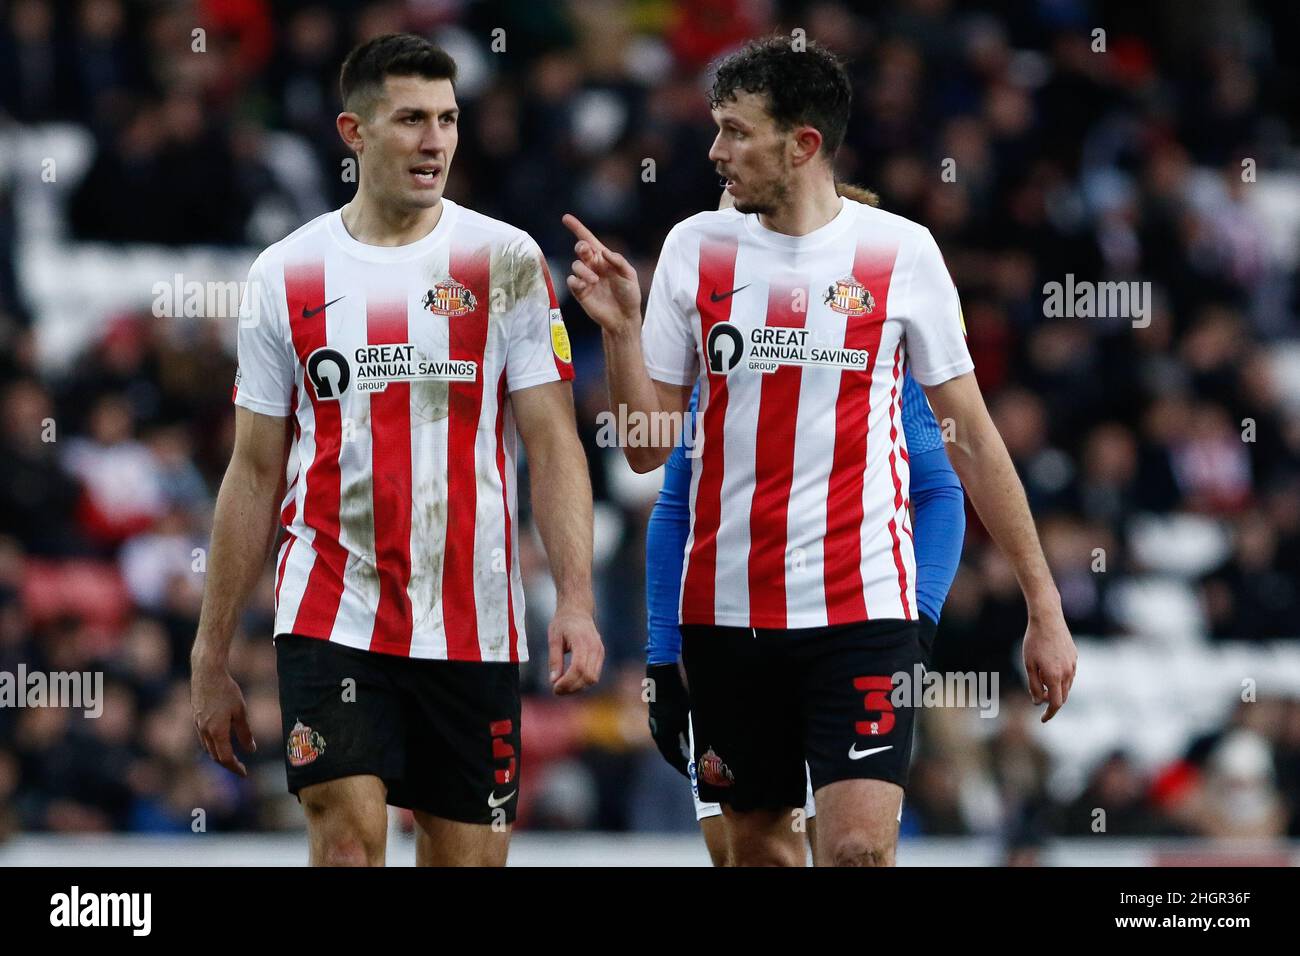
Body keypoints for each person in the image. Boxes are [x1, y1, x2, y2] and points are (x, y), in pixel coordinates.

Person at [565, 36, 1076, 867]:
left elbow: (974, 444)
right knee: (759, 853)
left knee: (858, 850)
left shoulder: (902, 253)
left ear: (802, 144)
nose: (715, 150)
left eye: (736, 131)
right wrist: (622, 331)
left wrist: (1042, 607)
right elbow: (647, 452)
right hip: (727, 614)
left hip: (864, 611)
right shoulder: (695, 248)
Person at [190, 33, 603, 867]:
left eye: (448, 119)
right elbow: (255, 470)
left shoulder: (507, 261)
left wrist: (575, 599)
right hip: (331, 608)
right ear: (354, 131)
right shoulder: (287, 273)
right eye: (412, 119)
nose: (435, 140)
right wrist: (211, 648)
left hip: (474, 620)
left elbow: (555, 442)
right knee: (347, 845)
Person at [646, 183, 968, 866]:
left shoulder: (885, 363)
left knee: (852, 849)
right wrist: (661, 652)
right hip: (736, 632)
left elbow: (941, 492)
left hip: (851, 628)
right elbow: (673, 509)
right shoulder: (713, 365)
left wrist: (918, 620)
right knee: (750, 855)